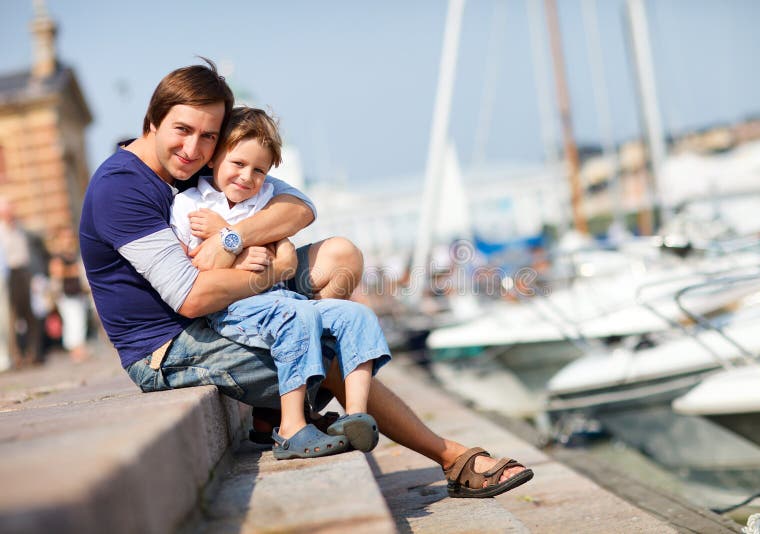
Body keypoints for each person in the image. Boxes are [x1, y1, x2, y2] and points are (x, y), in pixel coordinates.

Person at [79, 58, 532, 497]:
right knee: (325, 341)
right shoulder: (122, 188)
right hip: (168, 347)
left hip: (225, 301)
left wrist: (232, 238)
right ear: (152, 120)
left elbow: (299, 208)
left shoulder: (194, 165)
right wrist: (274, 272)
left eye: (208, 137)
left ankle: (275, 409)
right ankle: (451, 457)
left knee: (341, 257)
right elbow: (191, 298)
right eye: (183, 131)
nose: (195, 149)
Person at [170, 106, 390, 458]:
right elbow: (192, 267)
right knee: (299, 318)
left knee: (356, 316)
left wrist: (226, 235)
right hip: (233, 305)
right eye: (238, 164)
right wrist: (241, 254)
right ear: (214, 160)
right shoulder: (189, 205)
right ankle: (291, 425)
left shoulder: (266, 198)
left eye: (259, 170)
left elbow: (285, 250)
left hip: (281, 297)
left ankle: (356, 415)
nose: (247, 177)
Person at [0, 198, 42, 367]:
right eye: (7, 209)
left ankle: (34, 353)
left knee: (31, 314)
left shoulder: (21, 228)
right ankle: (15, 355)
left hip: (24, 272)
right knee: (10, 316)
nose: (11, 212)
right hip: (8, 275)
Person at [49, 226, 90, 362]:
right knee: (72, 321)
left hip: (77, 292)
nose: (68, 240)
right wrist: (74, 270)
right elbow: (57, 272)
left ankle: (80, 348)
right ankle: (75, 350)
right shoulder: (58, 256)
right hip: (66, 295)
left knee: (80, 321)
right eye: (65, 237)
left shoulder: (74, 255)